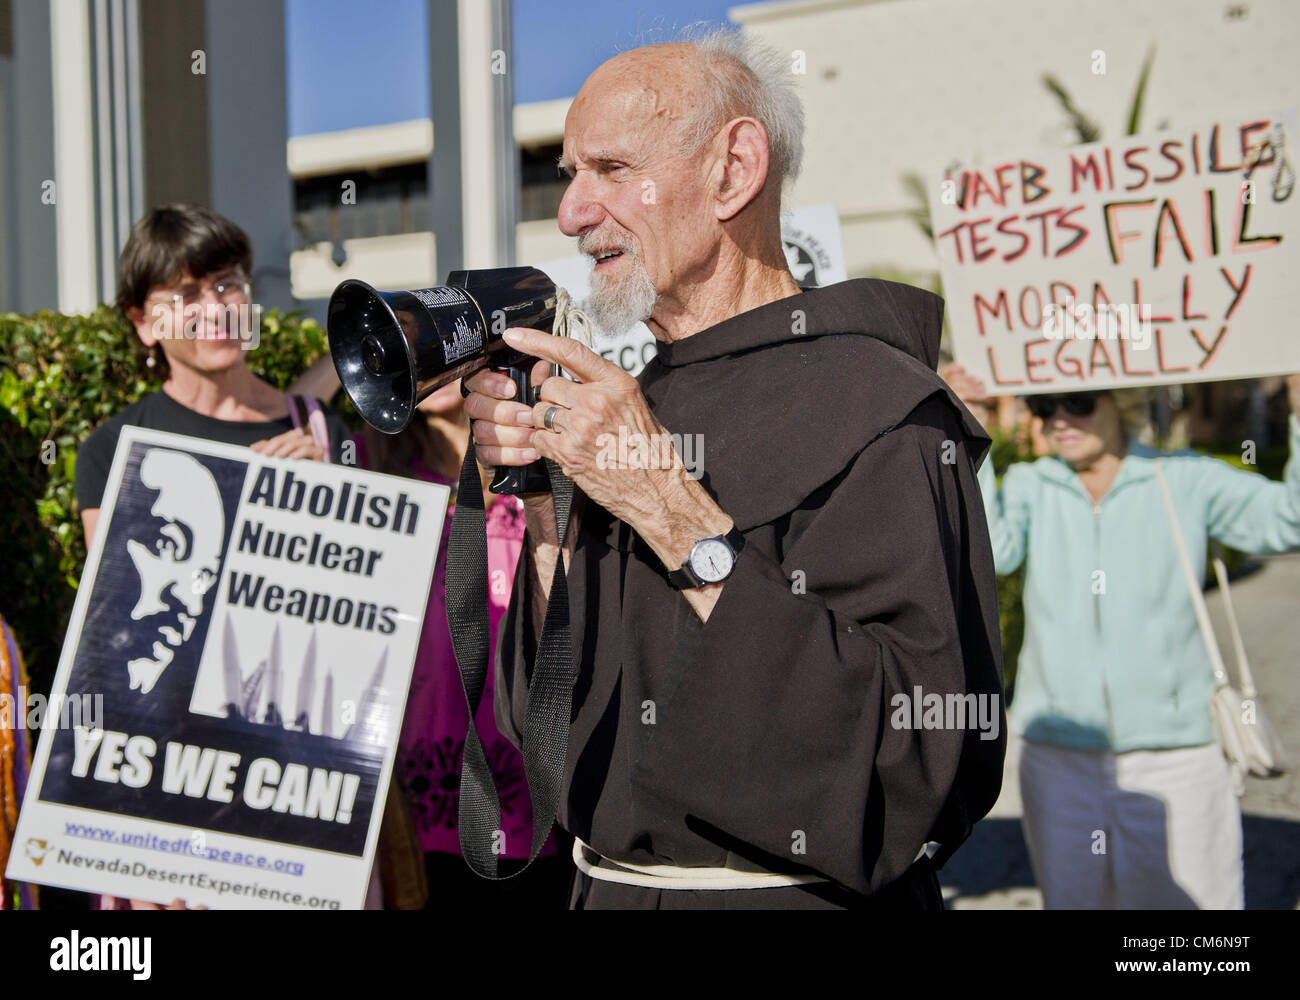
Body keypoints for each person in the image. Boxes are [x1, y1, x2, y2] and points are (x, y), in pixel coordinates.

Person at [463, 31, 1005, 909]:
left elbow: (911, 757)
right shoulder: (627, 398)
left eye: (609, 167)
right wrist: (551, 532)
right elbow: (550, 731)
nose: (570, 212)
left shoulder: (882, 408)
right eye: (568, 173)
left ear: (733, 168)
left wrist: (672, 510)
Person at [943, 362, 1300, 908]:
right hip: (1057, 759)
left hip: (1178, 758)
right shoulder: (1029, 483)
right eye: (1044, 406)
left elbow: (1289, 519)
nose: (1059, 418)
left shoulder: (1186, 476)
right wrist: (971, 427)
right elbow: (992, 552)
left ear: (1122, 402)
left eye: (1079, 401)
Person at [75, 203, 351, 909]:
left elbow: (347, 621)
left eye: (227, 283)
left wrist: (323, 498)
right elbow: (122, 643)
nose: (216, 307)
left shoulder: (315, 430)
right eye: (185, 295)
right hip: (170, 773)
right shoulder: (115, 450)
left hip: (298, 774)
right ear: (143, 322)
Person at [353, 379, 572, 909]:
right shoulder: (361, 461)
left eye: (432, 345)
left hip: (523, 740)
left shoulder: (535, 451)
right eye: (401, 353)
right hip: (410, 759)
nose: (420, 367)